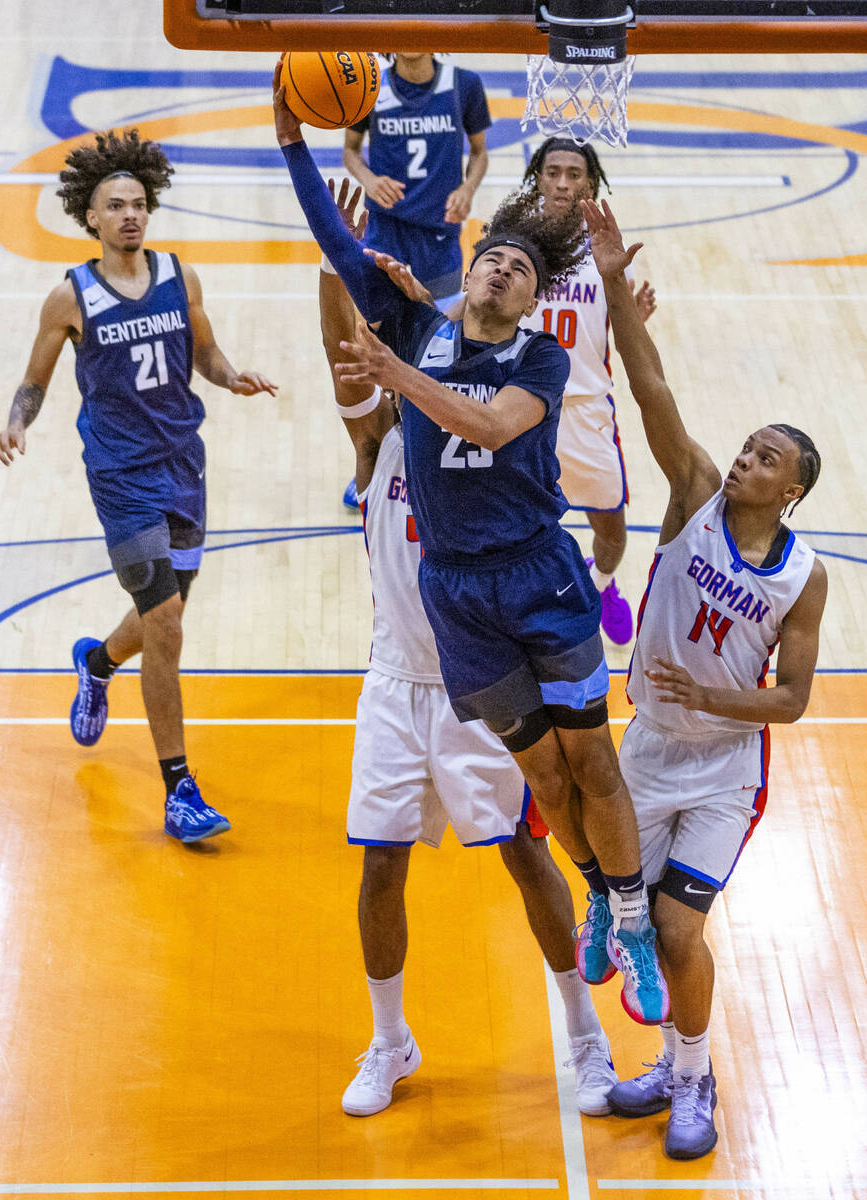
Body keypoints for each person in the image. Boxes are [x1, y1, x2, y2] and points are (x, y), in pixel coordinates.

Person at [275, 65, 670, 1028]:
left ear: (534, 298)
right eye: (489, 256)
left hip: (538, 576)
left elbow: (489, 428)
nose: (497, 267)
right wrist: (290, 138)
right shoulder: (418, 322)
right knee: (541, 778)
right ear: (471, 266)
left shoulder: (537, 357)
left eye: (518, 267)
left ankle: (634, 920)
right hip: (456, 597)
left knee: (592, 763)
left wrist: (398, 369)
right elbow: (339, 245)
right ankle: (598, 893)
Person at [317, 181, 616, 1118]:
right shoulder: (378, 443)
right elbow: (354, 339)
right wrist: (336, 261)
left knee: (525, 853)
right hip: (393, 678)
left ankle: (583, 1031)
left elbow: (474, 408)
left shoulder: (481, 401)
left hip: (473, 664)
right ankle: (389, 1040)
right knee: (379, 864)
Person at [578, 196, 827, 1159]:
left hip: (724, 770)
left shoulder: (803, 578)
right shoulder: (691, 495)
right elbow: (654, 396)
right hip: (646, 746)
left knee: (682, 934)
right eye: (746, 444)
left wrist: (703, 697)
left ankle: (689, 1082)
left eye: (764, 456)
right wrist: (608, 287)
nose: (742, 456)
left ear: (790, 488)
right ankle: (611, 902)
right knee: (597, 861)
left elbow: (792, 703)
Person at [0, 128, 277, 843]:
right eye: (115, 206)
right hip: (121, 478)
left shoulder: (181, 275)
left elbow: (202, 352)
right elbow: (34, 381)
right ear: (89, 216)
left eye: (139, 204)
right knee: (169, 623)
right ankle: (180, 791)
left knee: (157, 623)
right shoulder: (70, 297)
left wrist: (230, 375)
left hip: (184, 465)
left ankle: (95, 662)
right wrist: (15, 423)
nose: (130, 215)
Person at [340, 51, 491, 508]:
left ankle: (432, 453)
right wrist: (368, 178)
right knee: (380, 354)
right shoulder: (370, 86)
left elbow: (480, 152)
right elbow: (350, 150)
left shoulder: (464, 83)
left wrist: (467, 189)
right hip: (387, 236)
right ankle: (377, 459)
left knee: (439, 355)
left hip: (440, 241)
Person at [522, 139, 655, 645]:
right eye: (552, 172)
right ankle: (530, 611)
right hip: (524, 410)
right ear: (537, 178)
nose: (561, 182)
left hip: (586, 410)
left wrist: (632, 323)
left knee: (613, 534)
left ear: (590, 184)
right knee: (519, 529)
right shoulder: (513, 241)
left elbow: (624, 342)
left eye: (573, 174)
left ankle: (600, 587)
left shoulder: (607, 250)